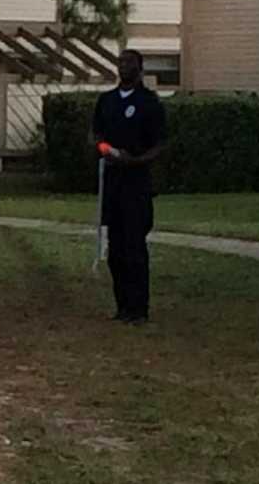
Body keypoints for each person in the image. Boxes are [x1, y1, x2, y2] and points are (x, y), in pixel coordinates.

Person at [92, 49, 167, 325]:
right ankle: (122, 306)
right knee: (116, 249)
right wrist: (105, 150)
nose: (124, 67)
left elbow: (159, 145)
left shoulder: (149, 103)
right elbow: (96, 134)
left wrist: (134, 160)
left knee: (135, 247)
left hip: (137, 185)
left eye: (130, 63)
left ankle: (139, 309)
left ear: (140, 68)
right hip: (112, 183)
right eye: (120, 62)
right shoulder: (107, 101)